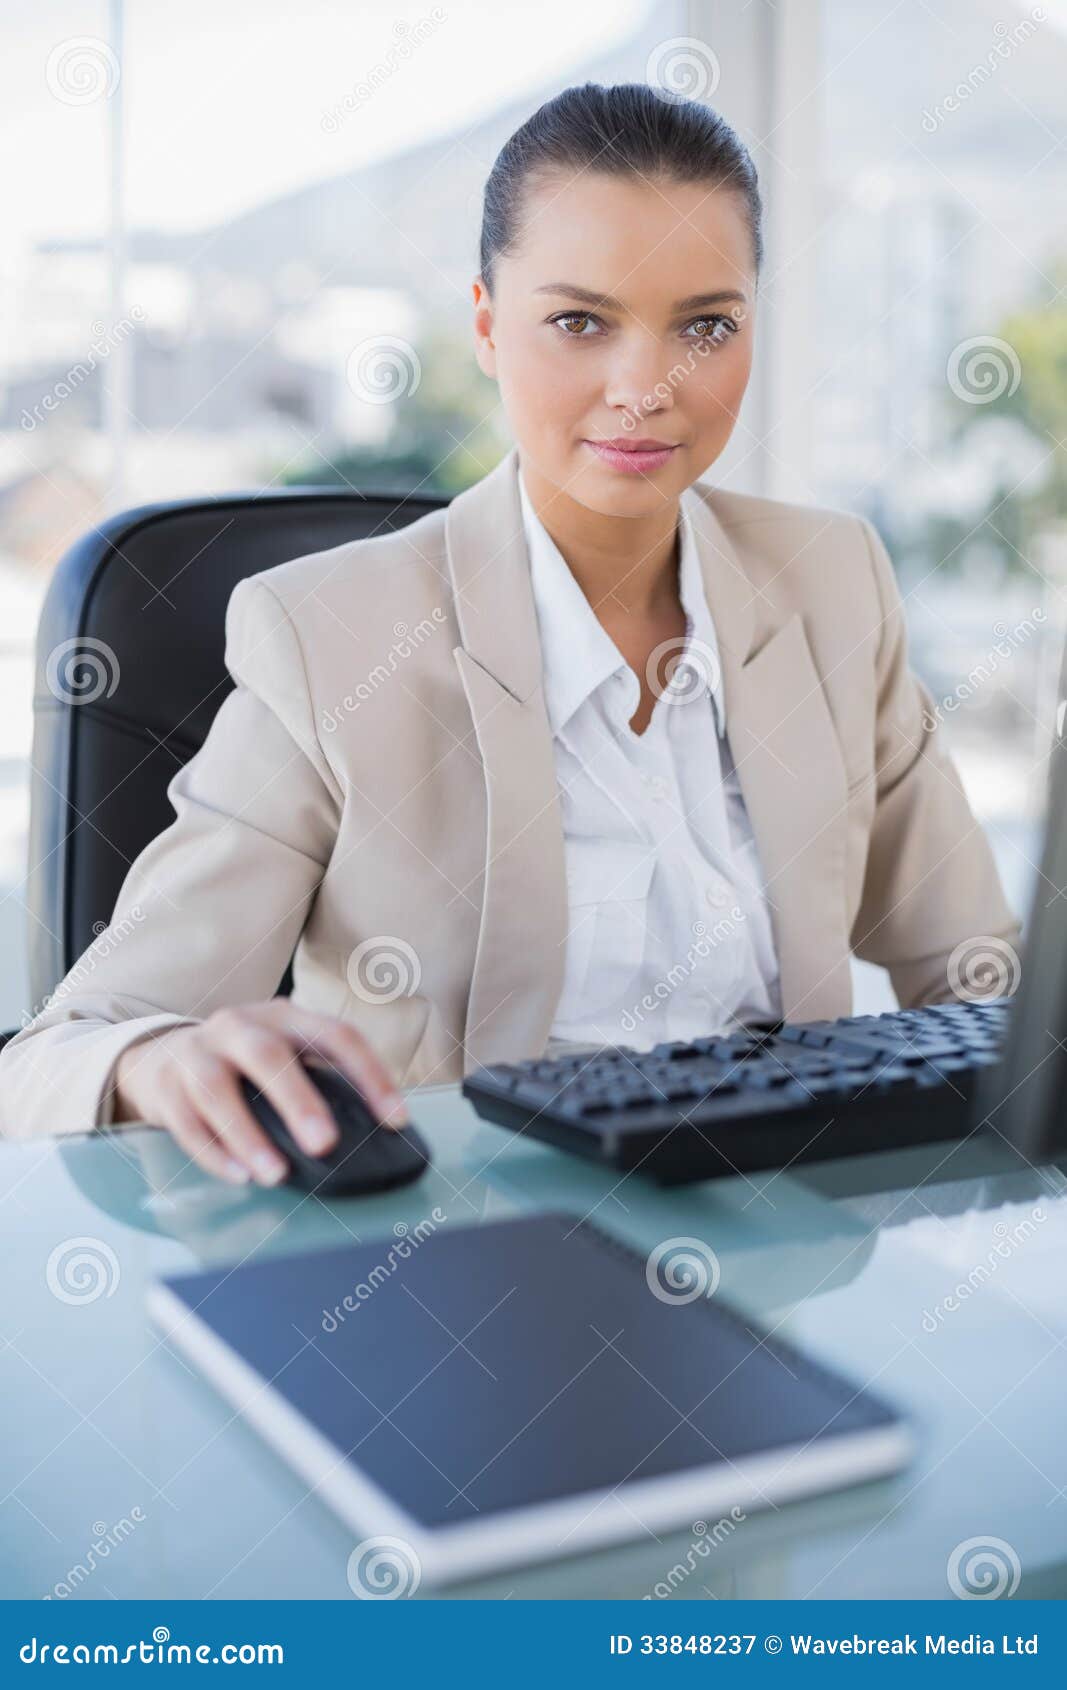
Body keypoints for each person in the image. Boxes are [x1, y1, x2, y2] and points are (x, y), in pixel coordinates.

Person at [0, 81, 1020, 1184]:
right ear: (486, 326)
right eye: (579, 321)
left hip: (790, 1242)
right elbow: (56, 1056)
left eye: (704, 325)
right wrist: (162, 1059)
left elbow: (981, 984)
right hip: (461, 1263)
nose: (644, 389)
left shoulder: (829, 582)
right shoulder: (330, 640)